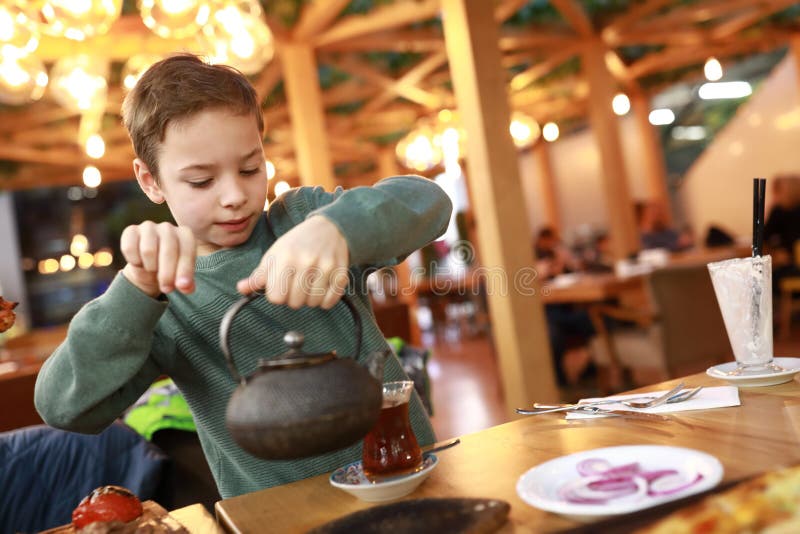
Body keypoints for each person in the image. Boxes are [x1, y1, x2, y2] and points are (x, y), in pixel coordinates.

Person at [33, 54, 453, 499]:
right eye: (201, 182)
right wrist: (135, 288)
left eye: (251, 169)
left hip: (408, 481)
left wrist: (338, 227)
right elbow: (63, 407)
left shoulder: (305, 218)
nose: (235, 196)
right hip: (280, 517)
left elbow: (429, 203)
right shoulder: (162, 296)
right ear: (151, 180)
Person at [533, 227, 595, 385]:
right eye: (551, 240)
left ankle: (591, 367)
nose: (554, 243)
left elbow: (571, 271)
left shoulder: (554, 253)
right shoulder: (532, 256)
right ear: (542, 239)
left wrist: (564, 263)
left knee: (589, 318)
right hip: (544, 311)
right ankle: (561, 381)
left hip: (560, 305)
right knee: (556, 332)